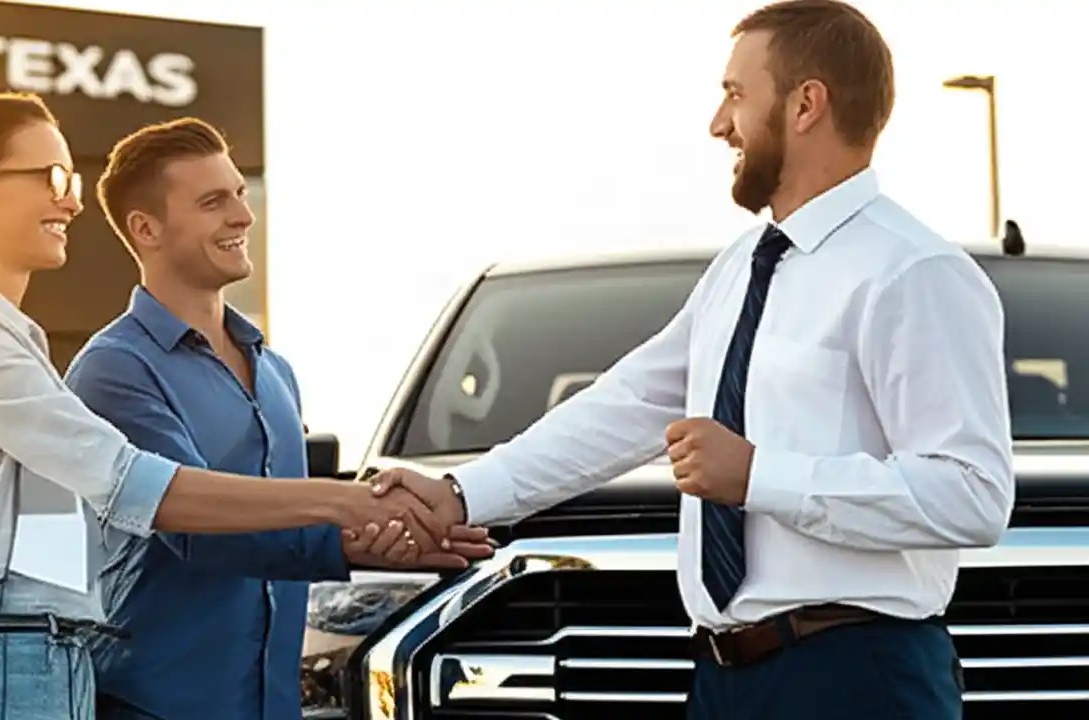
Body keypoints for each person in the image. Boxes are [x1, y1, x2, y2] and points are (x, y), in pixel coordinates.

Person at [371, 1, 1014, 718]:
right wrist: (459, 494)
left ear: (806, 105)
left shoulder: (914, 272)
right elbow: (633, 403)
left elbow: (972, 494)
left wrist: (758, 476)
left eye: (736, 94)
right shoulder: (744, 265)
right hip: (721, 680)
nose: (718, 124)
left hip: (857, 679)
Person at [0, 91, 486, 719]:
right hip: (1, 668)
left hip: (44, 662)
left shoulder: (10, 341)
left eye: (74, 179)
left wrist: (366, 539)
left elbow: (78, 538)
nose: (72, 198)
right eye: (51, 176)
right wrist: (347, 503)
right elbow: (139, 489)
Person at [62, 117, 491, 719]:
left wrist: (380, 546)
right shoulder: (115, 370)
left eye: (239, 194)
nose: (242, 216)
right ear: (145, 229)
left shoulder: (275, 371)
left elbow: (286, 531)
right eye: (214, 202)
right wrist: (348, 515)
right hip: (154, 705)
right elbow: (191, 527)